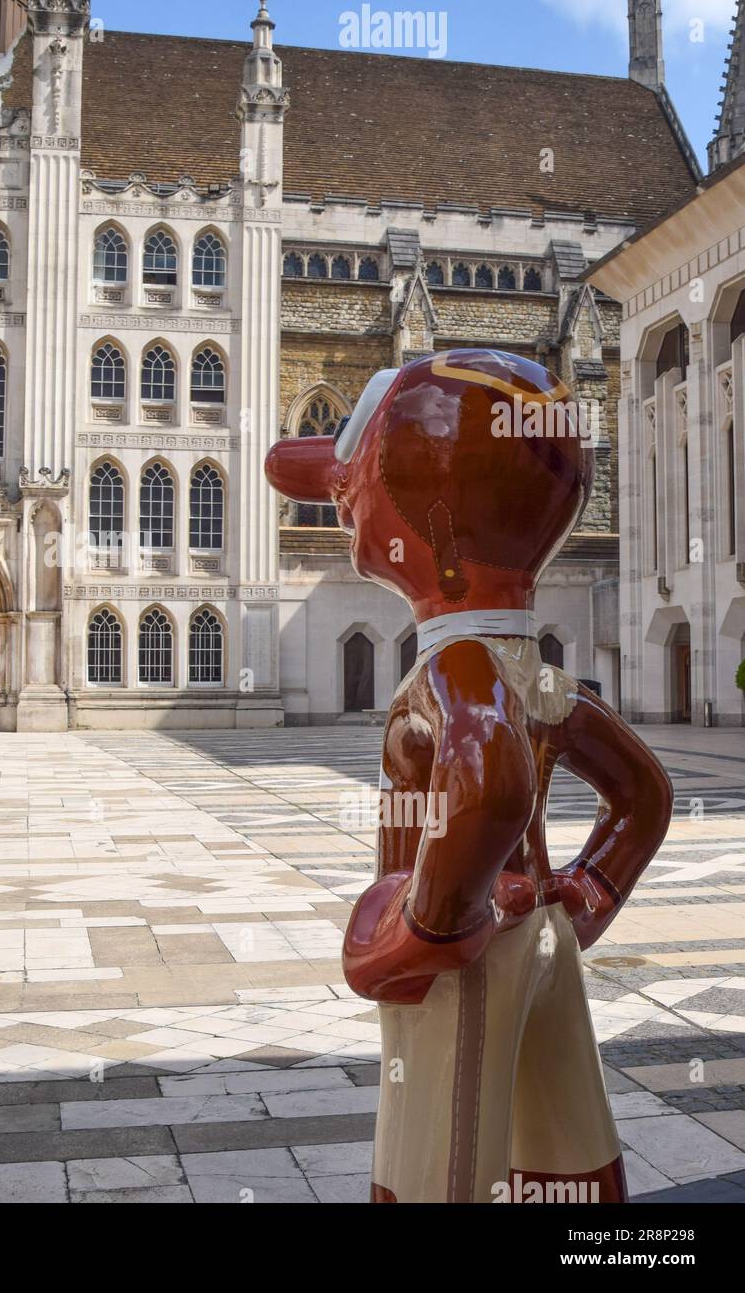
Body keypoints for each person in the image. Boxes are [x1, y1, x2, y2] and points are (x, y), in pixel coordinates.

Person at [266, 348, 672, 1204]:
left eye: (351, 487)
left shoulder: (454, 669)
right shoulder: (540, 675)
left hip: (466, 954)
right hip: (541, 932)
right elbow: (642, 795)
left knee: (437, 1155)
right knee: (562, 1132)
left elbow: (489, 785)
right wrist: (586, 891)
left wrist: (419, 931)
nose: (342, 507)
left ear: (424, 517)